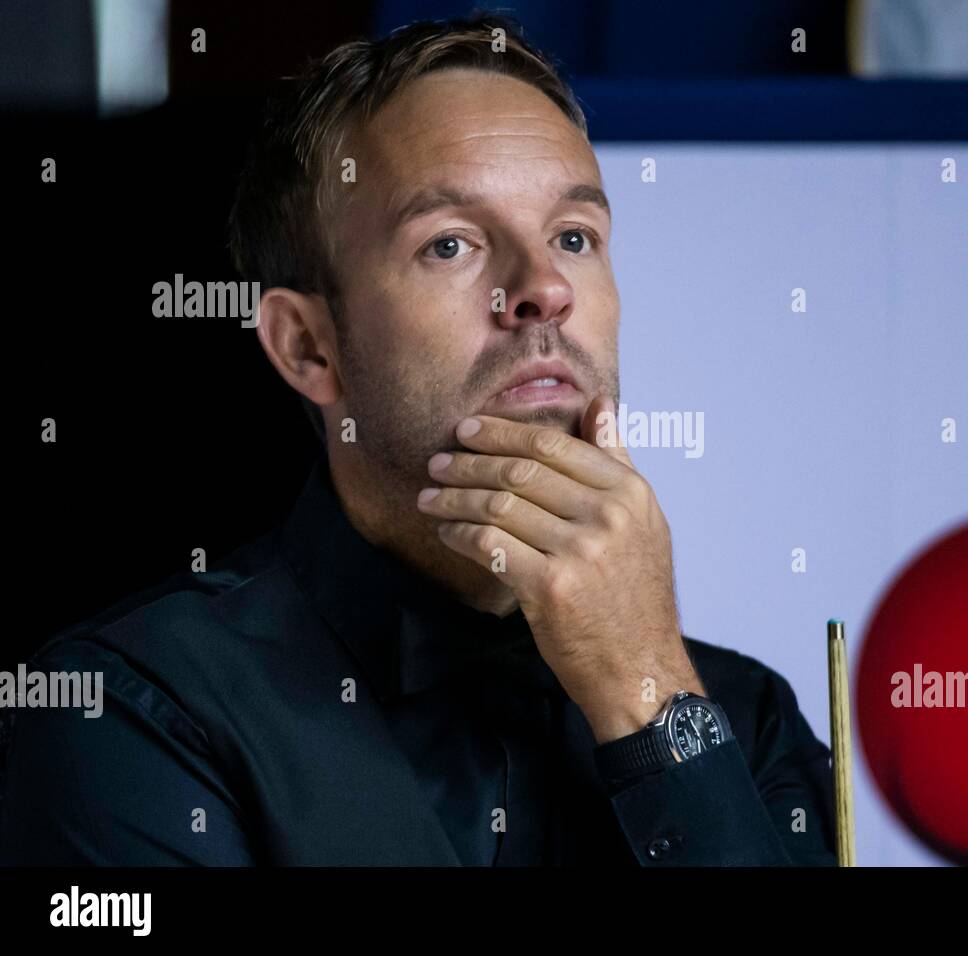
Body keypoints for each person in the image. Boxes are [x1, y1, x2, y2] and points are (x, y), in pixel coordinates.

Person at [0, 14, 837, 866]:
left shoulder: (749, 718)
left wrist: (646, 694)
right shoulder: (130, 712)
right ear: (306, 347)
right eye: (450, 245)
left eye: (574, 237)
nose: (544, 288)